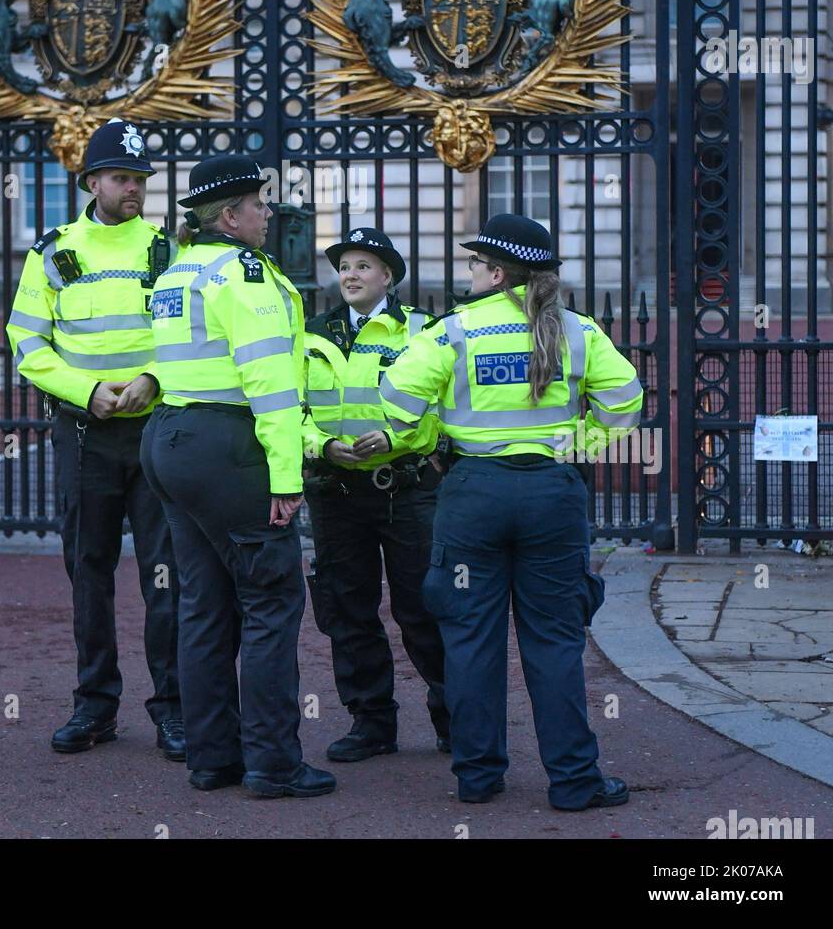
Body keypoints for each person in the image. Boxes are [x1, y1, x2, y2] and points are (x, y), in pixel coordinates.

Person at [381, 213, 643, 810]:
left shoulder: (454, 330)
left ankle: (477, 776)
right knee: (554, 640)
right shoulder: (577, 329)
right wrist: (577, 445)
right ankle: (575, 782)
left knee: (470, 638)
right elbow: (625, 401)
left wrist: (429, 441)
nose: (469, 271)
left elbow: (396, 400)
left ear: (497, 272)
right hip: (552, 493)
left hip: (473, 492)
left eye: (476, 263)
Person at [141, 155, 336, 798]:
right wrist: (287, 478)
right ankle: (273, 764)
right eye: (259, 202)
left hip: (172, 436)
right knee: (270, 601)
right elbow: (271, 385)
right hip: (229, 445)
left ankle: (212, 758)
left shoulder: (179, 269)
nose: (268, 211)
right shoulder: (243, 274)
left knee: (202, 605)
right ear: (230, 215)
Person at [6, 118, 183, 759]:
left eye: (139, 179)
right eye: (121, 178)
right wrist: (87, 392)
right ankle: (95, 705)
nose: (133, 188)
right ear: (92, 182)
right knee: (90, 570)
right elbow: (26, 341)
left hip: (156, 428)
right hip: (84, 431)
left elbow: (193, 332)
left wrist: (152, 377)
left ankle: (174, 708)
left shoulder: (169, 249)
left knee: (166, 574)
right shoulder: (53, 252)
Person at [302, 227, 450, 761]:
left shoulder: (422, 331)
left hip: (404, 489)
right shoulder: (310, 333)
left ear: (388, 276)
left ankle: (453, 719)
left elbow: (438, 406)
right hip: (334, 491)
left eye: (364, 266)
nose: (351, 274)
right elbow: (289, 408)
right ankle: (371, 723)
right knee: (347, 610)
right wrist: (320, 445)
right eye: (344, 266)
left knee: (424, 608)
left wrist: (395, 437)